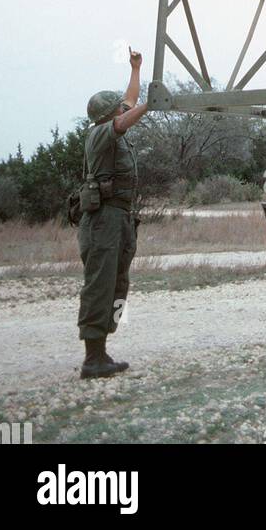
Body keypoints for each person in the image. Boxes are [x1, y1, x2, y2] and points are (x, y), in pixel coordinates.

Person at [77, 47, 149, 378]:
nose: (123, 109)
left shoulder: (113, 124)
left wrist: (135, 69)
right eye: (117, 109)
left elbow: (129, 103)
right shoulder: (99, 133)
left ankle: (103, 349)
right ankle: (93, 357)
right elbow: (125, 118)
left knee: (118, 283)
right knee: (100, 285)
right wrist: (155, 105)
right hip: (103, 220)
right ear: (107, 115)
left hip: (119, 219)